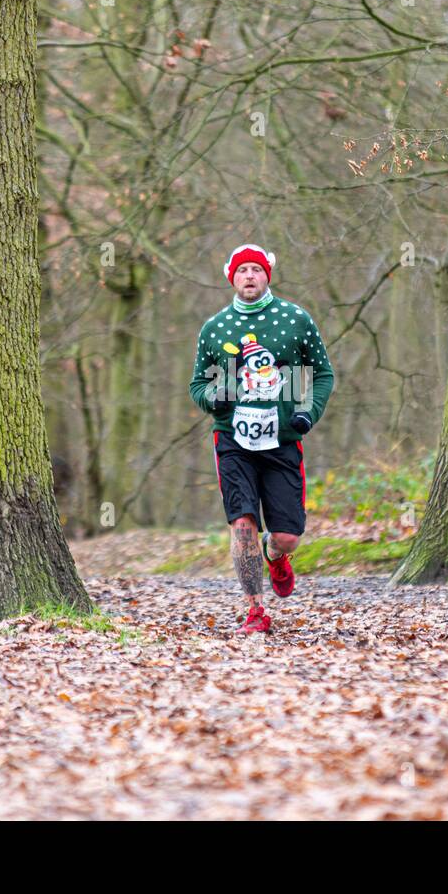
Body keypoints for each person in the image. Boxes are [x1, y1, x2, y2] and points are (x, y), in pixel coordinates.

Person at [189, 244, 335, 634]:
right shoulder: (215, 328)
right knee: (242, 523)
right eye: (242, 271)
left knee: (287, 536)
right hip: (232, 440)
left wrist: (307, 411)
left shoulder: (295, 318)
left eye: (256, 269)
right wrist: (212, 398)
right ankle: (256, 611)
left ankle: (276, 556)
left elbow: (324, 374)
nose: (249, 276)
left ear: (267, 275)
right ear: (232, 279)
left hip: (282, 439)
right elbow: (197, 385)